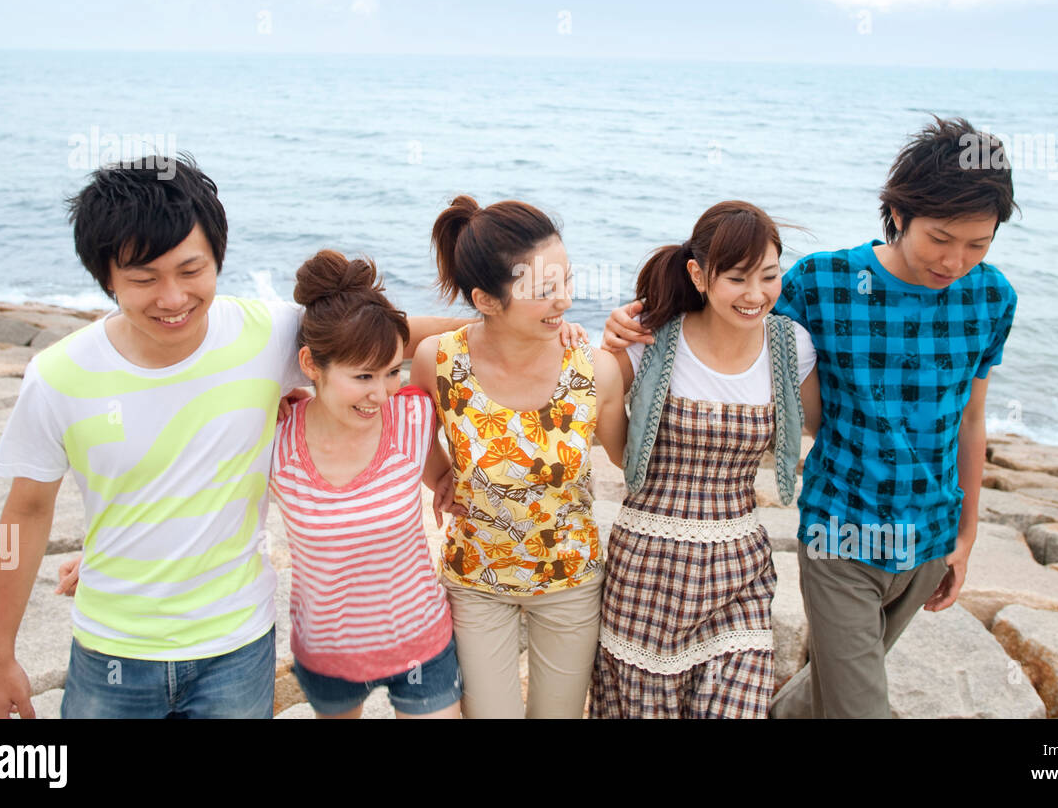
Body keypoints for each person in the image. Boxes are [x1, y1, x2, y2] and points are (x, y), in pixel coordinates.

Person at [0, 155, 491, 719]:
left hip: (236, 649)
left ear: (218, 258)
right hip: (111, 653)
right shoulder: (58, 376)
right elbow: (25, 512)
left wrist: (514, 323)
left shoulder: (265, 336)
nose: (173, 298)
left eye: (190, 270)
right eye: (144, 279)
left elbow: (380, 335)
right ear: (106, 278)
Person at [606, 117, 1018, 719]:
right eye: (942, 238)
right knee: (860, 707)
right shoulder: (823, 283)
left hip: (929, 537)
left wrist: (966, 533)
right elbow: (734, 314)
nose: (956, 260)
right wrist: (637, 326)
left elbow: (971, 419)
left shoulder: (993, 297)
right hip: (841, 532)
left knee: (830, 686)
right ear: (899, 214)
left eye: (978, 244)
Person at [590, 201, 818, 718]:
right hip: (648, 570)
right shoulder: (651, 337)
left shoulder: (791, 346)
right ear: (697, 274)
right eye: (737, 278)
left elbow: (830, 421)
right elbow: (592, 395)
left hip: (738, 568)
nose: (756, 295)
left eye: (769, 276)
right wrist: (596, 343)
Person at [412, 196, 627, 719]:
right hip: (476, 577)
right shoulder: (438, 361)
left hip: (570, 579)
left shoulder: (594, 370)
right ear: (486, 299)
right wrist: (442, 475)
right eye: (545, 292)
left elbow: (628, 460)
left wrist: (632, 347)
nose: (565, 302)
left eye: (567, 282)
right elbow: (412, 435)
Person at [267, 250, 462, 719]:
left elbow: (475, 337)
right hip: (327, 654)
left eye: (392, 370)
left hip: (423, 643)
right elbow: (204, 496)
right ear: (310, 364)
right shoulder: (275, 441)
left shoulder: (412, 416)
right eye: (362, 377)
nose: (381, 393)